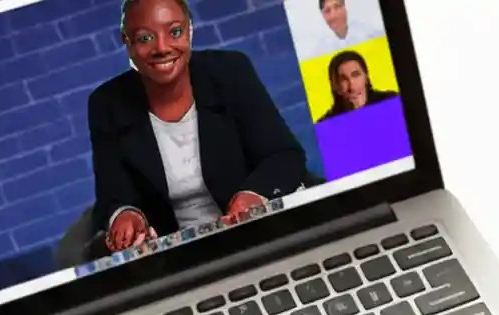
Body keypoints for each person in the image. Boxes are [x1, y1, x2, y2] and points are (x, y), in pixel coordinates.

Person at [87, 0, 309, 255]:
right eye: (145, 37)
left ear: (190, 29)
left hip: (253, 236)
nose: (162, 47)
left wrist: (253, 194)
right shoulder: (107, 104)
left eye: (175, 32)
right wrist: (125, 214)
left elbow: (283, 155)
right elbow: (112, 193)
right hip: (175, 257)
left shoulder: (230, 72)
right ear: (126, 40)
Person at [318, 50, 399, 122]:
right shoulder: (327, 123)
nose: (352, 86)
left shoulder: (391, 101)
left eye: (356, 75)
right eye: (343, 79)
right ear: (335, 86)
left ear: (366, 77)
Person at [304, 0, 384, 59]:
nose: (334, 15)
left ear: (345, 8)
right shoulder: (319, 52)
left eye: (337, 7)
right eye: (327, 11)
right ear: (323, 15)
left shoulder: (371, 35)